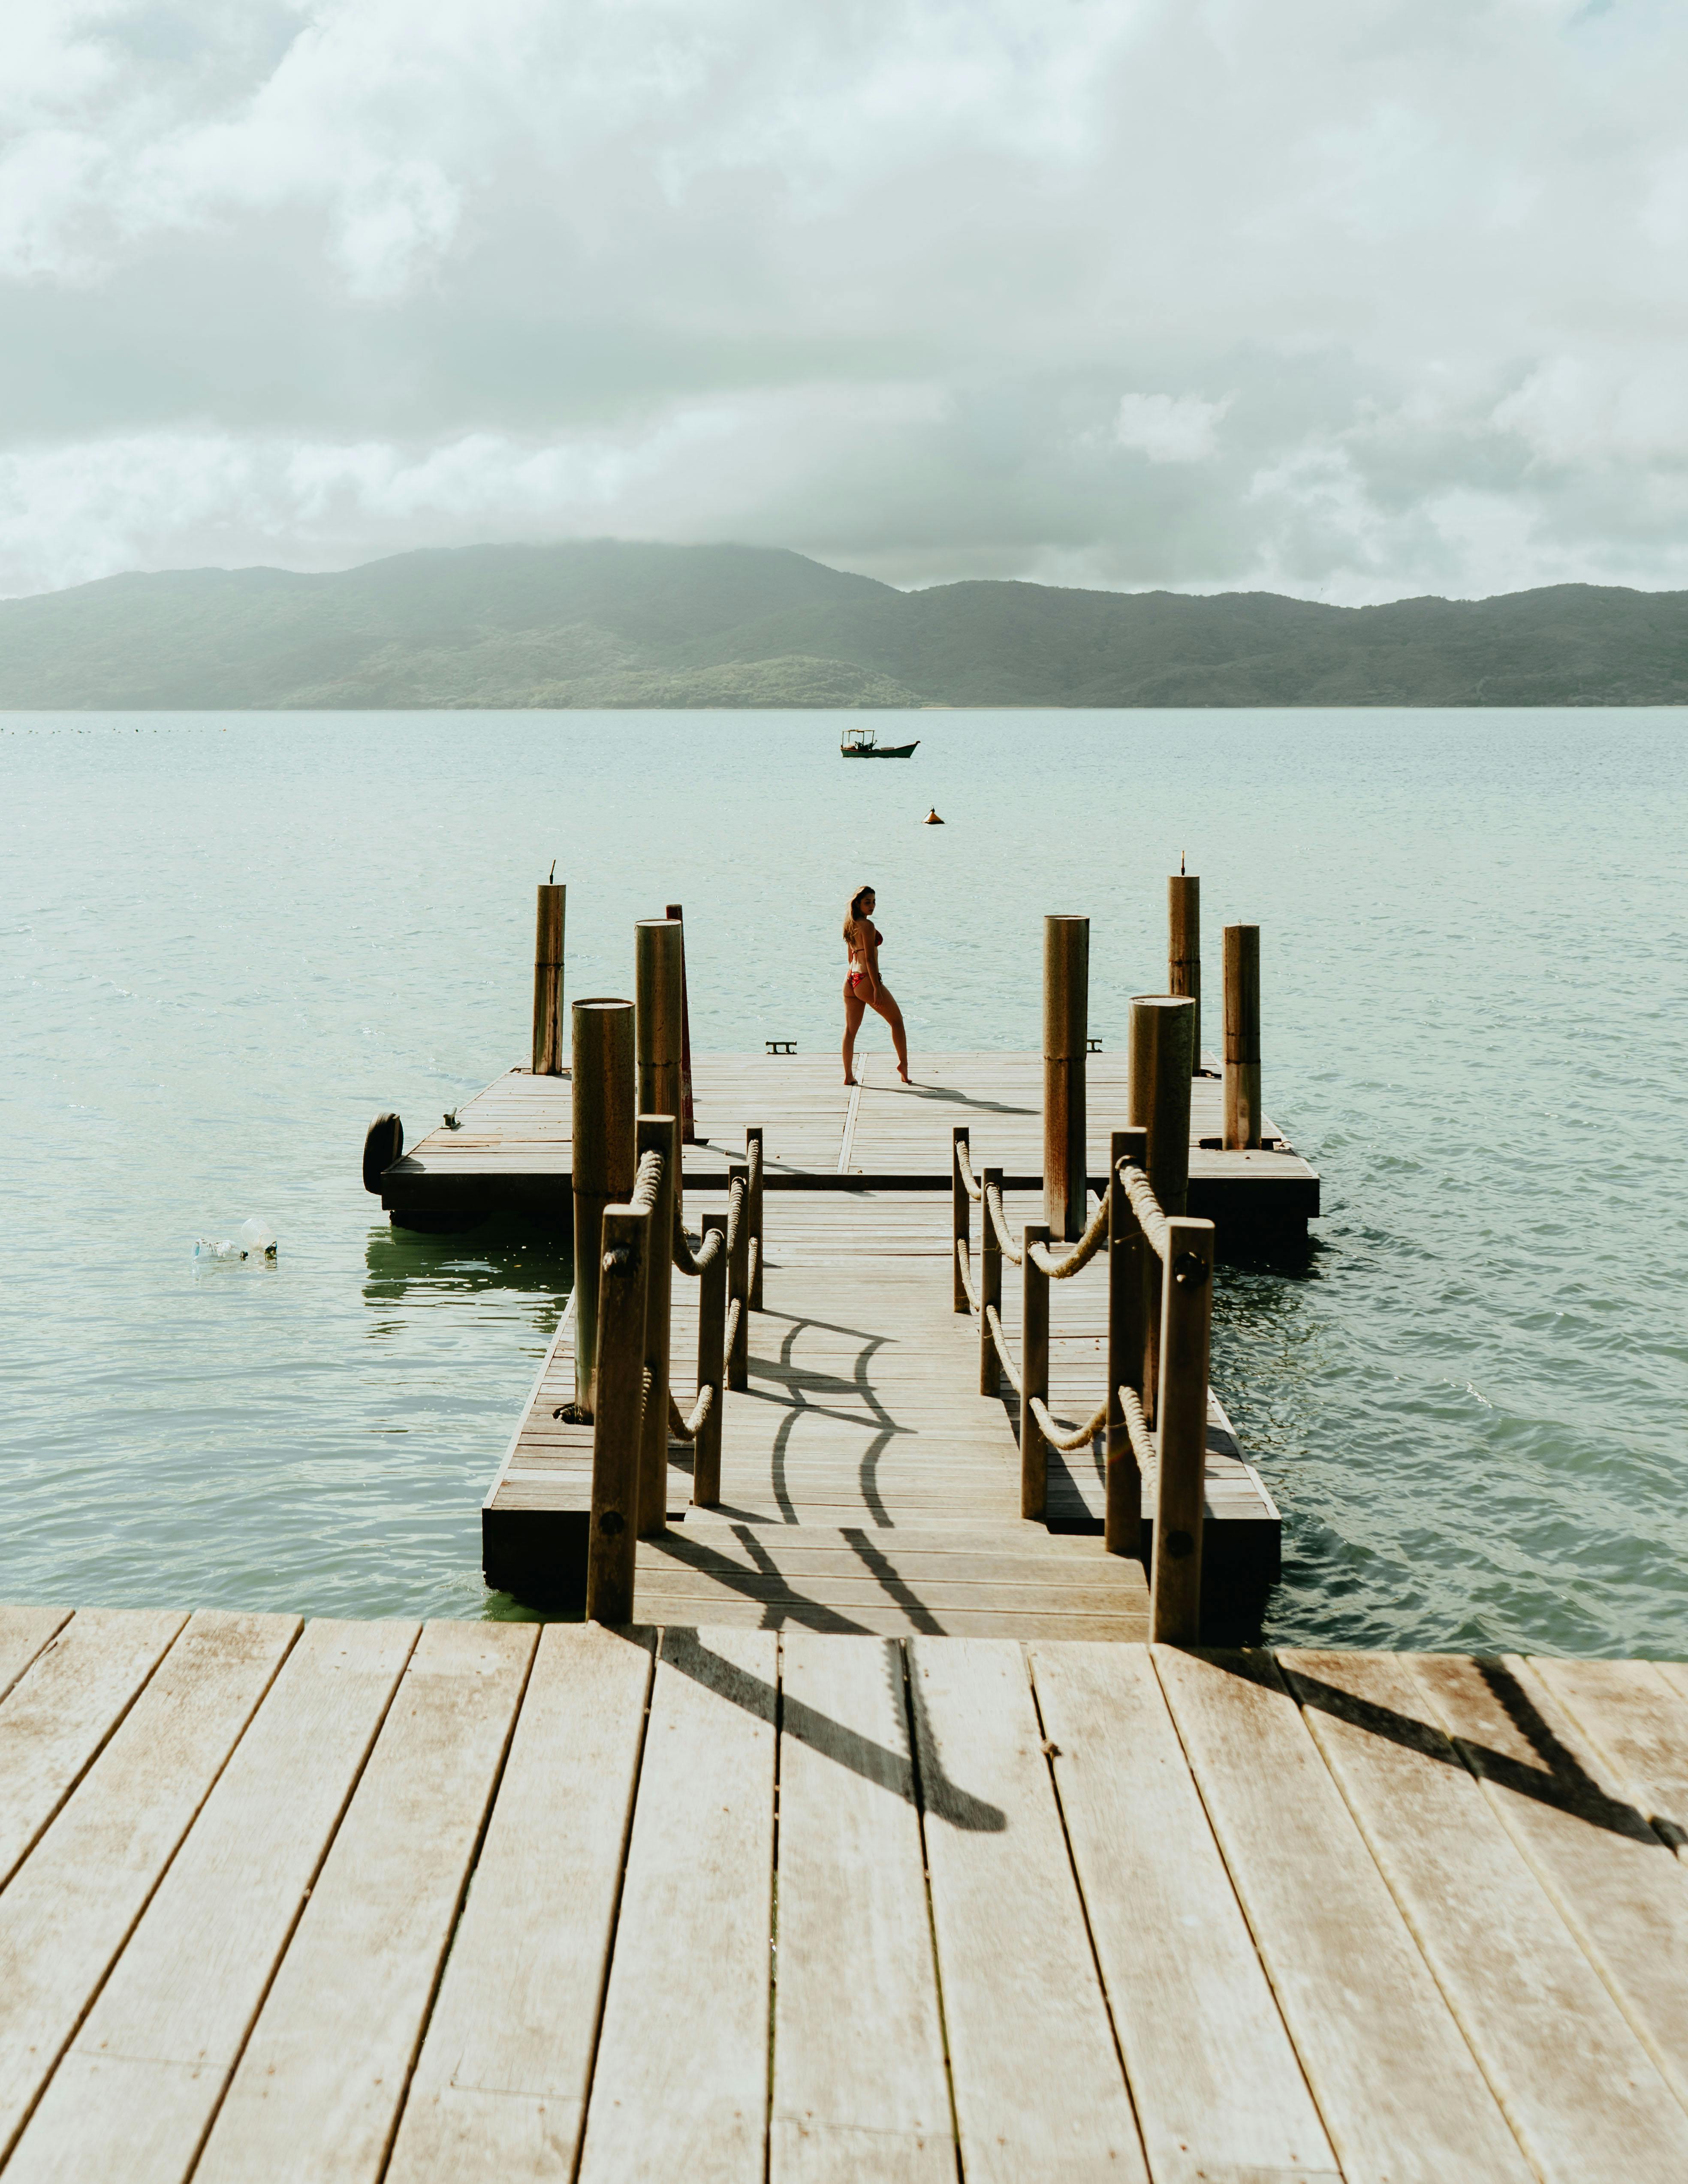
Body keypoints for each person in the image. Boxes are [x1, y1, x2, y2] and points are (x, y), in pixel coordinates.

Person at [841, 884, 910, 1086]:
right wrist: (877, 989)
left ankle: (848, 1076)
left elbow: (850, 957)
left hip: (850, 979)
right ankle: (903, 1066)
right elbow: (870, 960)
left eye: (874, 902)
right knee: (897, 1021)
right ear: (858, 904)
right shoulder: (868, 926)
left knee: (850, 1030)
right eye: (867, 902)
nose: (872, 906)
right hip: (865, 980)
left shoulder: (850, 923)